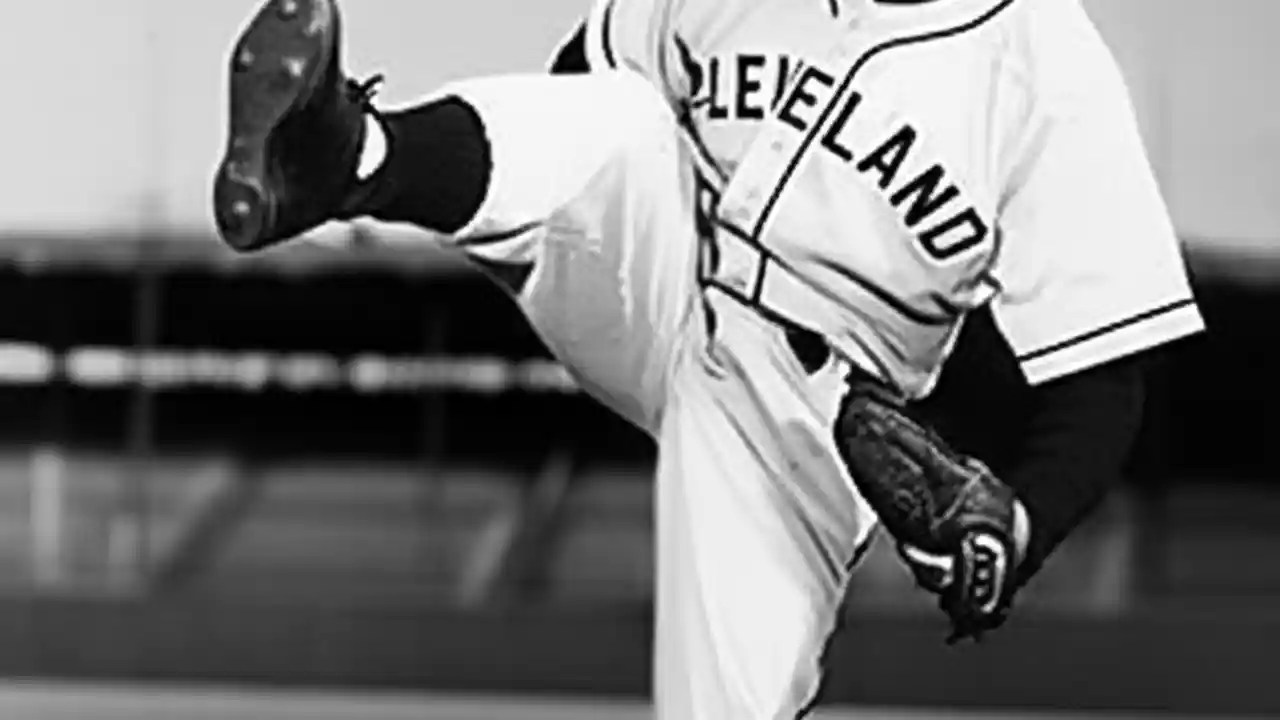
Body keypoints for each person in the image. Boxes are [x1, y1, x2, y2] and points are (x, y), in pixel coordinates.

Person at [211, 0, 1204, 717]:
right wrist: (539, 216)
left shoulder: (1044, 61)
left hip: (813, 421)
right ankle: (346, 156)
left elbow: (1104, 376)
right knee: (623, 117)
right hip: (665, 266)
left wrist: (1019, 528)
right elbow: (573, 92)